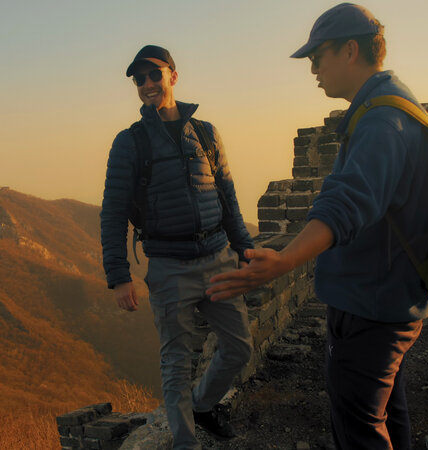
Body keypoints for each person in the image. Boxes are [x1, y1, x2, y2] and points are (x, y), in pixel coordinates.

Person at [207, 4, 428, 449]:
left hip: (370, 305)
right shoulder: (392, 104)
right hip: (393, 298)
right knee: (387, 415)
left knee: (359, 429)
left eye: (317, 56)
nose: (312, 69)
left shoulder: (381, 121)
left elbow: (347, 202)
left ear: (351, 50)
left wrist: (286, 259)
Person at [100, 45, 255, 449]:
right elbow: (113, 212)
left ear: (173, 75)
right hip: (169, 266)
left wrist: (247, 249)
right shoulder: (129, 143)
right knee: (175, 363)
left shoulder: (204, 132)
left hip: (219, 258)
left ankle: (203, 405)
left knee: (239, 347)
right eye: (140, 79)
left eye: (155, 75)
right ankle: (187, 442)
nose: (148, 84)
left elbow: (227, 196)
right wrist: (119, 276)